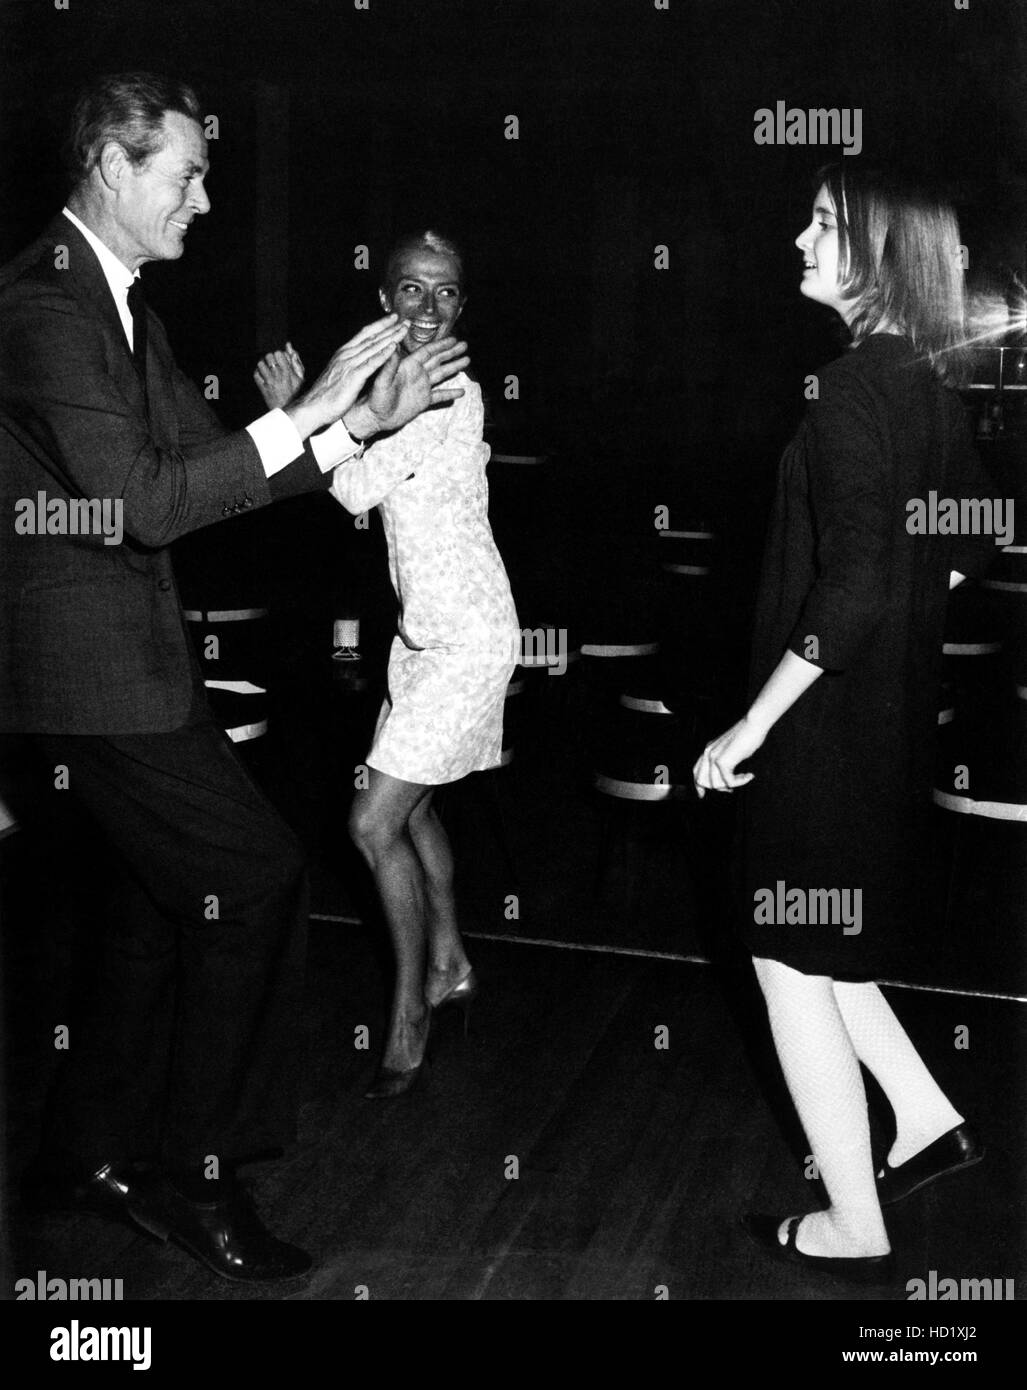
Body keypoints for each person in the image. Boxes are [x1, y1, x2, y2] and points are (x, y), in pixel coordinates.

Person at [0, 72, 468, 1282]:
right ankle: (191, 1175)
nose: (205, 199)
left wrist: (353, 428)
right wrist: (316, 407)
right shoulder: (43, 310)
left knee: (152, 911)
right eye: (187, 173)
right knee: (257, 884)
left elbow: (210, 464)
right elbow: (151, 505)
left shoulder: (114, 301)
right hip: (82, 681)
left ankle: (86, 1153)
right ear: (112, 163)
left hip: (107, 670)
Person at [693, 166, 996, 1281]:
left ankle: (852, 1220)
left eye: (822, 223)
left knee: (781, 953)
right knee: (825, 944)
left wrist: (750, 728)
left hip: (819, 723)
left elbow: (855, 582)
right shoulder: (919, 380)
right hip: (883, 715)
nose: (796, 236)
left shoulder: (846, 387)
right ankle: (925, 1120)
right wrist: (904, 632)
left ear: (874, 247)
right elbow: (974, 534)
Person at [257, 230, 520, 1098]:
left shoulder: (450, 393)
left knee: (371, 824)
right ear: (384, 301)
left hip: (469, 638)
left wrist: (300, 404)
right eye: (411, 289)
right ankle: (450, 962)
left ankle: (407, 1013)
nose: (428, 308)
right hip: (422, 639)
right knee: (414, 815)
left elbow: (350, 491)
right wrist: (332, 409)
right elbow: (371, 488)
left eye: (446, 294)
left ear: (461, 309)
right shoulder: (394, 389)